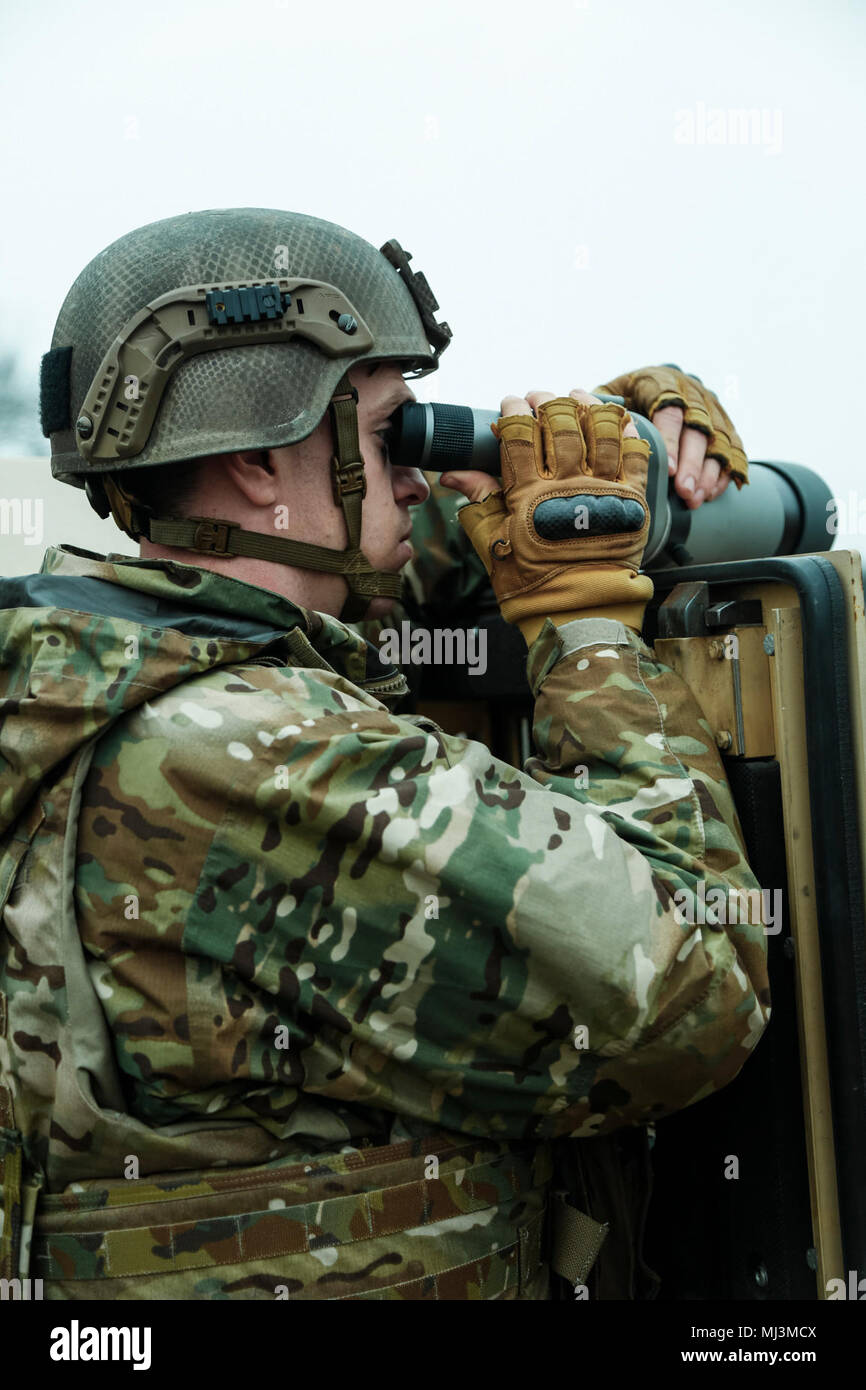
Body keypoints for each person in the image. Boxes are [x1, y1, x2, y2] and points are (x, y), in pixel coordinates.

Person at [0, 208, 766, 1301]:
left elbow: (390, 567)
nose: (412, 476)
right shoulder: (270, 758)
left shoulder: (80, 668)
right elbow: (695, 997)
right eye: (388, 436)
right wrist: (588, 624)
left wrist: (602, 445)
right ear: (264, 461)